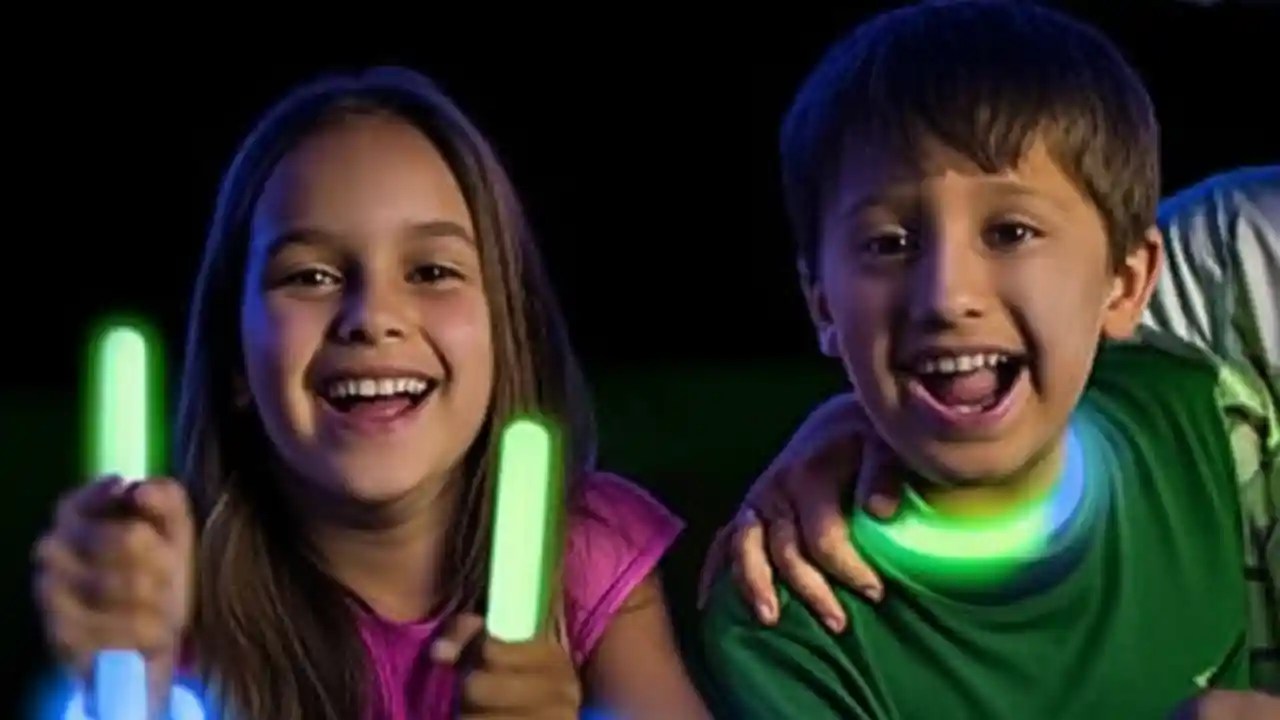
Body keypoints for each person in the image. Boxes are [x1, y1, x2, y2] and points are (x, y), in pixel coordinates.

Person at [33, 67, 710, 720]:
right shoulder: (163, 600)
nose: (371, 315)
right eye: (310, 277)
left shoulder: (583, 555)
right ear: (233, 357)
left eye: (432, 270)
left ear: (509, 332)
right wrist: (128, 687)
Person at [697, 1, 1279, 717]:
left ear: (1129, 284)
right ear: (822, 305)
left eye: (1010, 231)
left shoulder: (1193, 424)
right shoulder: (785, 626)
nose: (946, 295)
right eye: (888, 244)